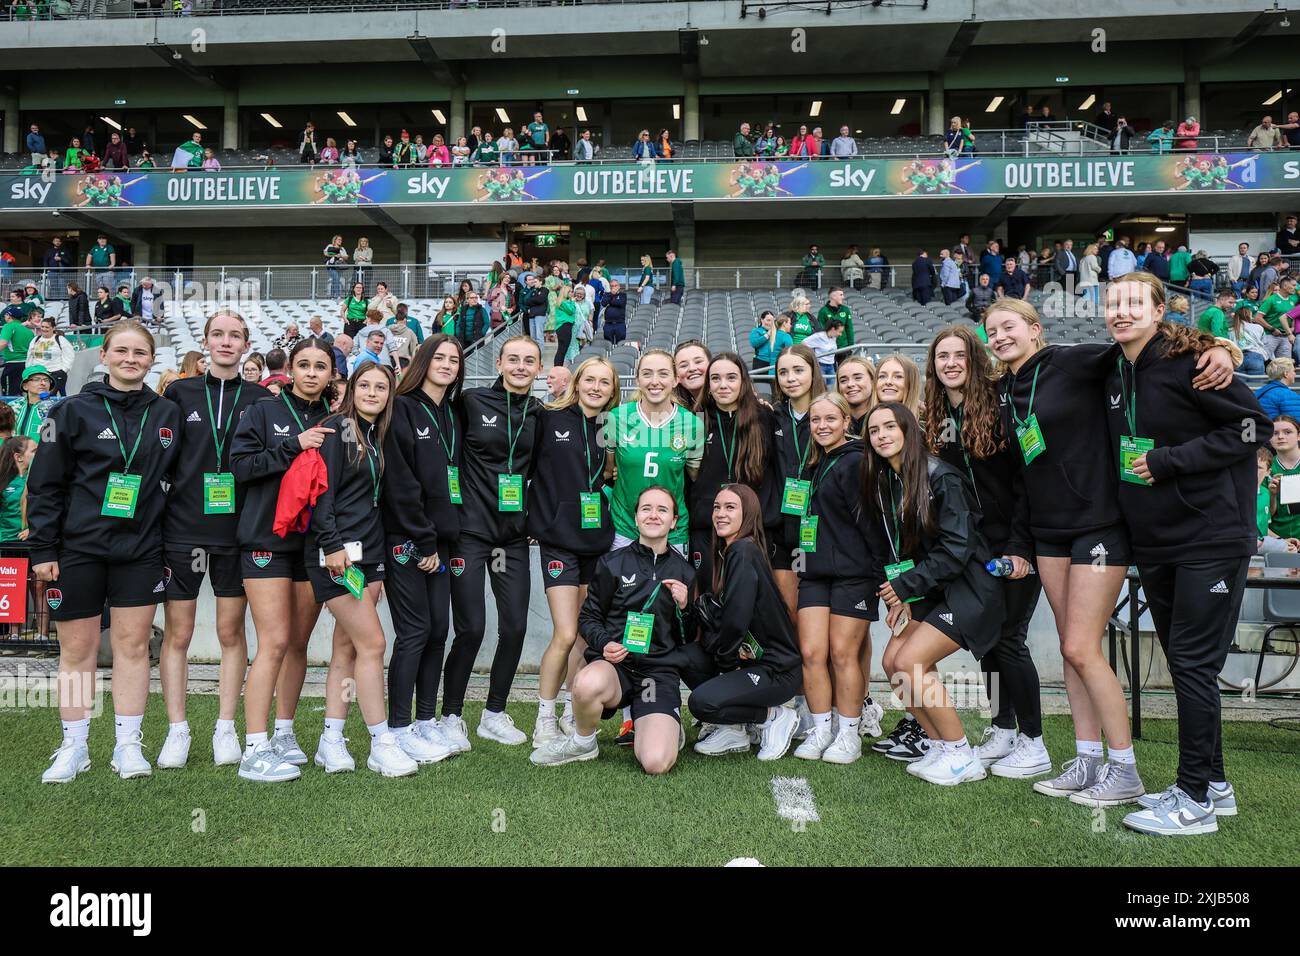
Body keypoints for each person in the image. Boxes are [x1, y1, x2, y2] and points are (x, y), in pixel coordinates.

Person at [984, 298, 1234, 807]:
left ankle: (1124, 769)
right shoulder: (1006, 389)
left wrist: (1219, 347)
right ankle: (1087, 757)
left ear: (1035, 329)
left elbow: (1147, 347)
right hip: (1047, 532)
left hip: (1098, 526)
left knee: (1080, 648)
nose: (1000, 336)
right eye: (992, 331)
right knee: (1073, 649)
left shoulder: (1073, 359)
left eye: (1009, 326)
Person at [1103, 271, 1269, 834]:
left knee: (1194, 665)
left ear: (1158, 310)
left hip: (1211, 538)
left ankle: (1194, 800)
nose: (1121, 312)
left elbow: (1254, 429)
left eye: (1133, 303)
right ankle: (1214, 785)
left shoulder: (1196, 364)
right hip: (1158, 542)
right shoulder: (1116, 370)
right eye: (1113, 303)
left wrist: (1172, 460)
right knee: (1185, 665)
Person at [30, 321, 181, 783]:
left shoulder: (167, 413)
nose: (131, 358)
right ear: (104, 356)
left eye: (140, 352)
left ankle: (127, 745)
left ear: (152, 360)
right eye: (122, 351)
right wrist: (42, 549)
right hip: (79, 548)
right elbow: (45, 485)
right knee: (78, 650)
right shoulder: (73, 410)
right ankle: (74, 746)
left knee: (133, 647)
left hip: (141, 549)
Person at [921, 325, 1049, 775]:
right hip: (974, 549)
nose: (951, 363)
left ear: (975, 359)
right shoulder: (938, 416)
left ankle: (1034, 742)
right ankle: (1004, 727)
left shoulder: (1001, 403)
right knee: (988, 640)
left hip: (1016, 542)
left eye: (959, 355)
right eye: (942, 357)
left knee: (1011, 638)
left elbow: (1026, 484)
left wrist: (1019, 547)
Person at [862, 401, 1005, 785]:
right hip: (931, 590)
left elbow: (956, 550)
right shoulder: (891, 481)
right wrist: (906, 598)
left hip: (969, 588)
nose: (881, 436)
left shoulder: (941, 476)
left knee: (910, 662)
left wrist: (905, 587)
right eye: (874, 431)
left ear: (908, 431)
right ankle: (940, 744)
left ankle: (962, 753)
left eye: (889, 427)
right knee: (893, 663)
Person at [156, 311, 271, 769]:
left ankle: (227, 728)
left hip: (236, 532)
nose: (226, 342)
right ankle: (177, 730)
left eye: (235, 336)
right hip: (182, 529)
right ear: (205, 342)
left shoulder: (261, 398)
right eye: (218, 335)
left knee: (229, 632)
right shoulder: (178, 393)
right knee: (179, 634)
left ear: (246, 345)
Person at [307, 362, 423, 777]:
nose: (373, 393)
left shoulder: (377, 435)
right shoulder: (336, 431)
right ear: (352, 389)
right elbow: (322, 495)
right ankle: (381, 741)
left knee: (347, 648)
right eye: (366, 385)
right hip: (336, 555)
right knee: (374, 645)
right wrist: (331, 545)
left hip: (370, 555)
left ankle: (331, 740)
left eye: (382, 387)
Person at [531, 484, 695, 774]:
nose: (653, 515)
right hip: (616, 669)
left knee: (656, 762)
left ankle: (664, 724)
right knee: (586, 682)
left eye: (662, 510)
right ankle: (583, 742)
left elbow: (690, 637)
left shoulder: (685, 572)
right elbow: (588, 618)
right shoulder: (612, 563)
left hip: (655, 675)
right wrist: (605, 642)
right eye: (646, 509)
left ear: (674, 520)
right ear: (635, 518)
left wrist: (685, 608)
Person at [229, 337, 334, 782]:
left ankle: (284, 733)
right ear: (290, 368)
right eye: (304, 365)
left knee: (297, 644)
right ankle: (254, 747)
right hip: (264, 541)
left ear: (332, 374)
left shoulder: (337, 419)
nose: (312, 373)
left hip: (311, 547)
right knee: (272, 641)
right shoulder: (262, 410)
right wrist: (293, 444)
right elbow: (241, 467)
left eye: (321, 366)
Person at [441, 337, 543, 750]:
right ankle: (450, 716)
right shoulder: (470, 402)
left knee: (515, 626)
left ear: (538, 368)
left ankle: (494, 713)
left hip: (512, 538)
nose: (521, 366)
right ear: (499, 362)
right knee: (471, 628)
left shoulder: (541, 413)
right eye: (513, 359)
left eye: (529, 361)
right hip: (470, 532)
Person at [527, 357, 620, 746]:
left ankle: (570, 707)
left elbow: (611, 477)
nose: (596, 388)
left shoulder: (610, 428)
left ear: (613, 390)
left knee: (584, 636)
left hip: (596, 542)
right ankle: (543, 716)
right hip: (559, 541)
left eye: (605, 383)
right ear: (576, 383)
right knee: (565, 633)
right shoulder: (547, 418)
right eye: (590, 380)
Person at [381, 335, 466, 759]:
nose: (448, 365)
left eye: (454, 359)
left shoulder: (450, 412)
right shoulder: (402, 408)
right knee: (413, 632)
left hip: (442, 541)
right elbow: (401, 482)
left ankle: (425, 721)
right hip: (408, 541)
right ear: (423, 361)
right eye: (440, 357)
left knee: (437, 632)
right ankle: (396, 729)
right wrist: (424, 538)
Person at [791, 392, 877, 765]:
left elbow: (873, 524)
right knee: (812, 653)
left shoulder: (857, 462)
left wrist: (882, 574)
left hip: (853, 574)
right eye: (815, 420)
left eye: (830, 419)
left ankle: (848, 732)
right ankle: (821, 728)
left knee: (843, 654)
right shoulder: (811, 465)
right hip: (814, 573)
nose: (822, 426)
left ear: (846, 422)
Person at [687, 484, 803, 759]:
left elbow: (736, 622)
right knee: (686, 657)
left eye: (730, 508)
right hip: (749, 663)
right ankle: (735, 729)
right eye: (717, 507)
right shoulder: (730, 554)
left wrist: (725, 665)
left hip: (776, 671)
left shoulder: (743, 552)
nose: (720, 514)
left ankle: (772, 716)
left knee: (701, 703)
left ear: (747, 514)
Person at [688, 353, 780, 591]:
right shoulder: (695, 422)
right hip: (708, 529)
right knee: (708, 604)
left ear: (743, 381)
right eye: (716, 378)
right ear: (708, 386)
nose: (723, 385)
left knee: (750, 604)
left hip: (752, 530)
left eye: (731, 377)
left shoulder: (765, 418)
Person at [26, 317, 74, 396]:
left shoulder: (60, 339)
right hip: (38, 373)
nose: (44, 329)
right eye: (42, 327)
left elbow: (69, 355)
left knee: (49, 396)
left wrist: (63, 370)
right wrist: (29, 370)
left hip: (55, 373)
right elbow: (30, 356)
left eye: (47, 327)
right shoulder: (35, 339)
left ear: (53, 328)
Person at [8, 365, 56, 442]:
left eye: (46, 380)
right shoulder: (13, 406)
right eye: (37, 379)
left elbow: (53, 440)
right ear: (25, 386)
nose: (43, 383)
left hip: (42, 453)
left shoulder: (55, 408)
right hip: (15, 452)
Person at [0, 435, 34, 543]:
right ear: (19, 457)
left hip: (32, 544)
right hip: (6, 543)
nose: (40, 455)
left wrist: (33, 529)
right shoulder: (4, 480)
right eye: (34, 451)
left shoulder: (39, 479)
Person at [749, 310, 792, 377]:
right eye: (768, 320)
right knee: (760, 384)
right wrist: (767, 335)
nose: (770, 323)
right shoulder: (756, 331)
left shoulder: (778, 332)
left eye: (772, 320)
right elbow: (754, 343)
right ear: (762, 320)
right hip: (761, 361)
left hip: (773, 362)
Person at [672, 340, 711, 410]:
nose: (692, 368)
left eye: (698, 361)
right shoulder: (675, 409)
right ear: (676, 376)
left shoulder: (728, 403)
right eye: (683, 365)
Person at [818, 286, 854, 350]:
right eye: (841, 295)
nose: (843, 297)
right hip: (829, 347)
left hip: (844, 346)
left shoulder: (845, 310)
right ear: (833, 296)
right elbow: (821, 330)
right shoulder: (823, 311)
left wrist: (851, 345)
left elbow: (849, 328)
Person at [602, 280, 627, 345]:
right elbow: (604, 303)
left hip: (620, 323)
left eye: (615, 285)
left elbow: (620, 303)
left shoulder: (623, 295)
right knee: (608, 343)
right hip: (608, 323)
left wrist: (610, 301)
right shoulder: (606, 295)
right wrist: (612, 295)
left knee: (621, 343)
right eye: (612, 286)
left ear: (619, 286)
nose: (614, 287)